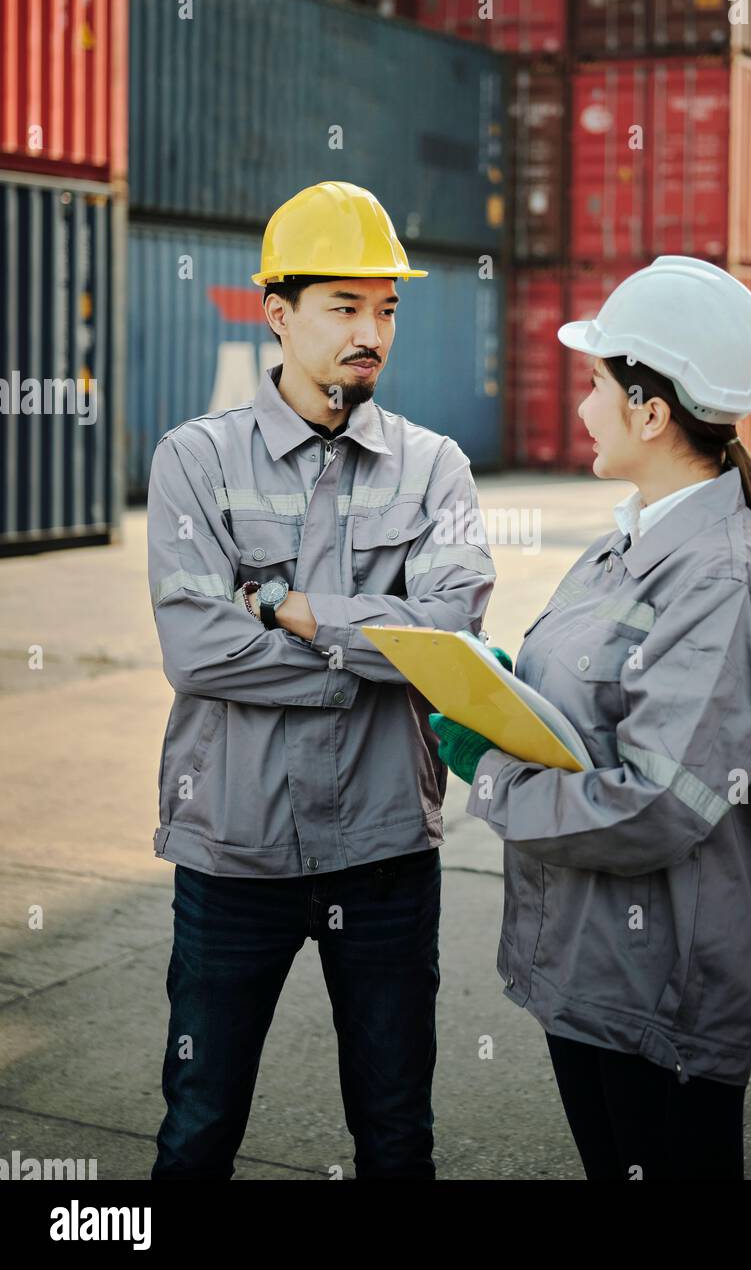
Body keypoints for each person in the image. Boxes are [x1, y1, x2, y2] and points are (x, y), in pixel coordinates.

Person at [431, 256, 751, 1181]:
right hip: (595, 969)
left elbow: (660, 804)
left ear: (651, 410)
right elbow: (590, 703)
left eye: (595, 384)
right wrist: (499, 689)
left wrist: (494, 775)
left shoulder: (721, 579)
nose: (582, 408)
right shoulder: (629, 541)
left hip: (662, 997)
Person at [146, 181, 496, 1179]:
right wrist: (372, 664)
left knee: (395, 1132)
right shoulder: (197, 461)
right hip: (233, 853)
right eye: (343, 305)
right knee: (199, 1124)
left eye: (385, 308)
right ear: (278, 312)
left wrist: (292, 609)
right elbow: (196, 649)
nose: (369, 331)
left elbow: (451, 634)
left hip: (383, 853)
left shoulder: (433, 469)